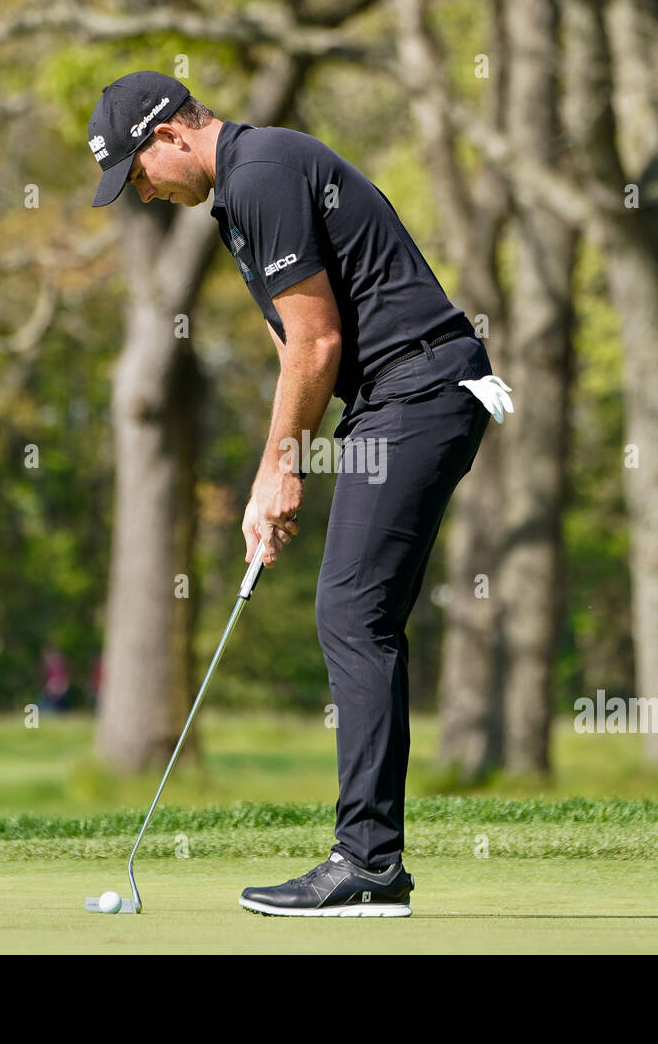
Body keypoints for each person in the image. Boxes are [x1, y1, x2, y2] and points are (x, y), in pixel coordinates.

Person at [86, 71, 513, 917]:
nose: (142, 190)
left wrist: (282, 466)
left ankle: (368, 863)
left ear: (171, 133)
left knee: (353, 613)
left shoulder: (261, 174)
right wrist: (273, 475)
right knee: (355, 612)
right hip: (396, 400)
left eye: (138, 171)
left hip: (419, 393)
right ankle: (370, 860)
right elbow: (303, 350)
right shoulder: (243, 192)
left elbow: (315, 342)